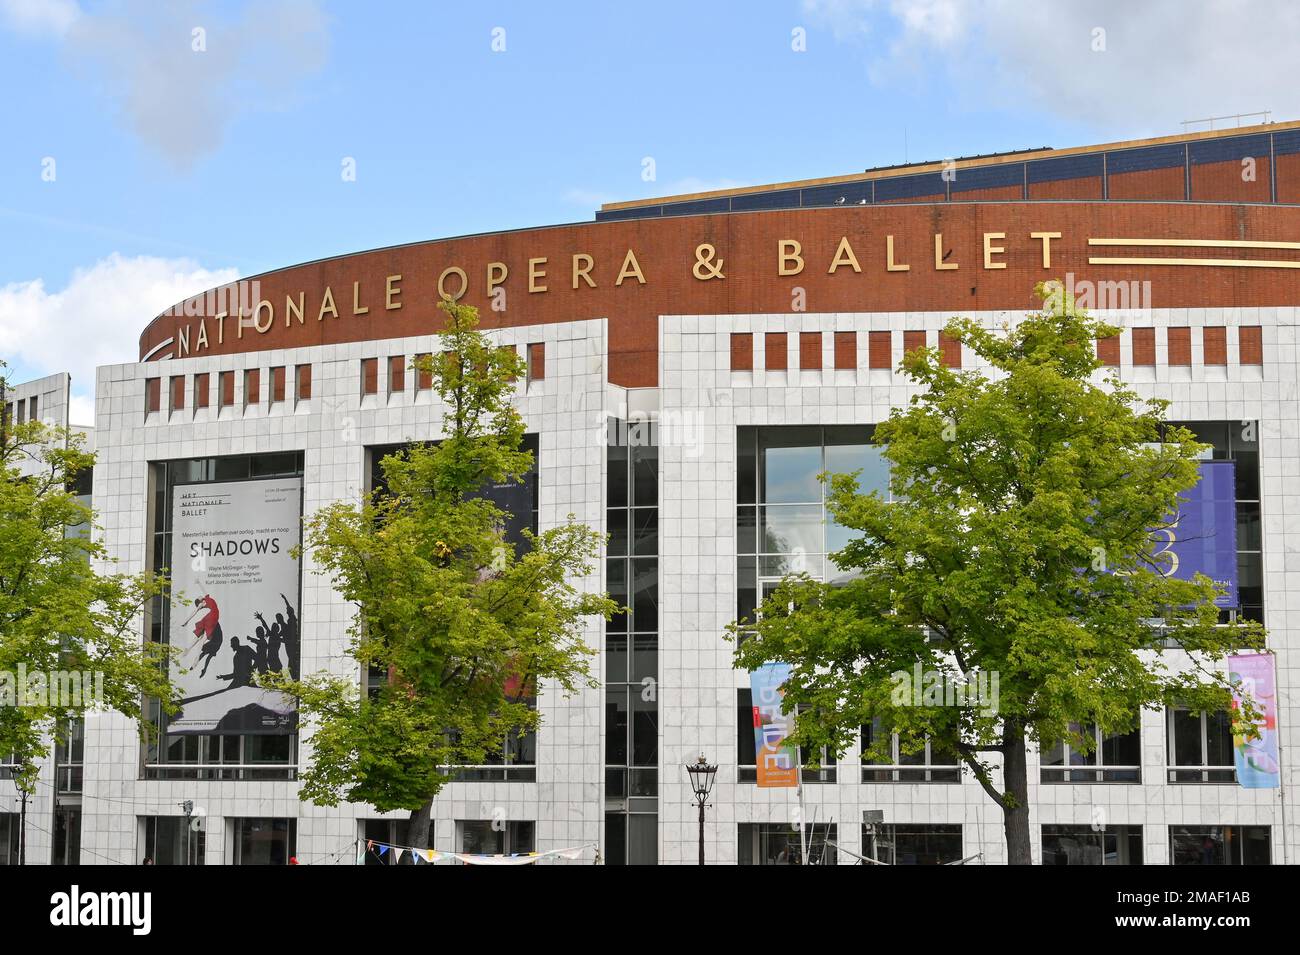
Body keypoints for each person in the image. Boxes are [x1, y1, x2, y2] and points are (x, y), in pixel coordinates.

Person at [188, 595, 223, 678]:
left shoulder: (212, 622)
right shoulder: (211, 621)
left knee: (207, 655)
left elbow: (206, 632)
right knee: (205, 653)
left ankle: (200, 666)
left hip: (217, 641)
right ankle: (196, 665)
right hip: (215, 640)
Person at [278, 593, 299, 679]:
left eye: (287, 611)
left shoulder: (292, 620)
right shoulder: (290, 619)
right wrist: (285, 599)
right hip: (290, 645)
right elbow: (289, 607)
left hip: (291, 646)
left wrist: (282, 640)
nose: (286, 612)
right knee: (291, 666)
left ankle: (295, 681)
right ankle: (295, 680)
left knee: (291, 666)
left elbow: (292, 637)